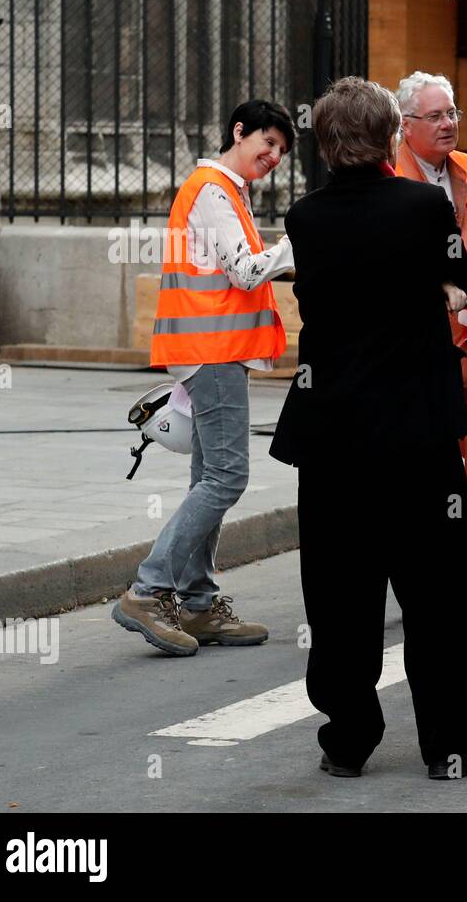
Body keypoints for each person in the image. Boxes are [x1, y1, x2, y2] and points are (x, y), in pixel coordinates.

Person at [269, 76, 467, 781]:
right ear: (392, 135)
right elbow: (464, 285)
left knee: (339, 595)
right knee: (437, 595)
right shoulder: (424, 205)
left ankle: (349, 738)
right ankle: (449, 742)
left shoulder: (305, 217)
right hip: (417, 433)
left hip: (332, 436)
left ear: (325, 143)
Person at [113, 100, 295, 656]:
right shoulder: (213, 188)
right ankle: (149, 591)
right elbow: (243, 271)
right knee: (227, 478)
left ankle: (196, 604)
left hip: (210, 349)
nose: (273, 157)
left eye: (282, 152)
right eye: (266, 143)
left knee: (208, 478)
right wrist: (300, 242)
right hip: (212, 350)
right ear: (238, 132)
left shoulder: (223, 189)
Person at [394, 72, 467, 615]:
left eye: (452, 113)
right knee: (422, 469)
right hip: (417, 350)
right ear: (405, 125)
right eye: (436, 116)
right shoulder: (385, 176)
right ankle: (424, 576)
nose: (449, 124)